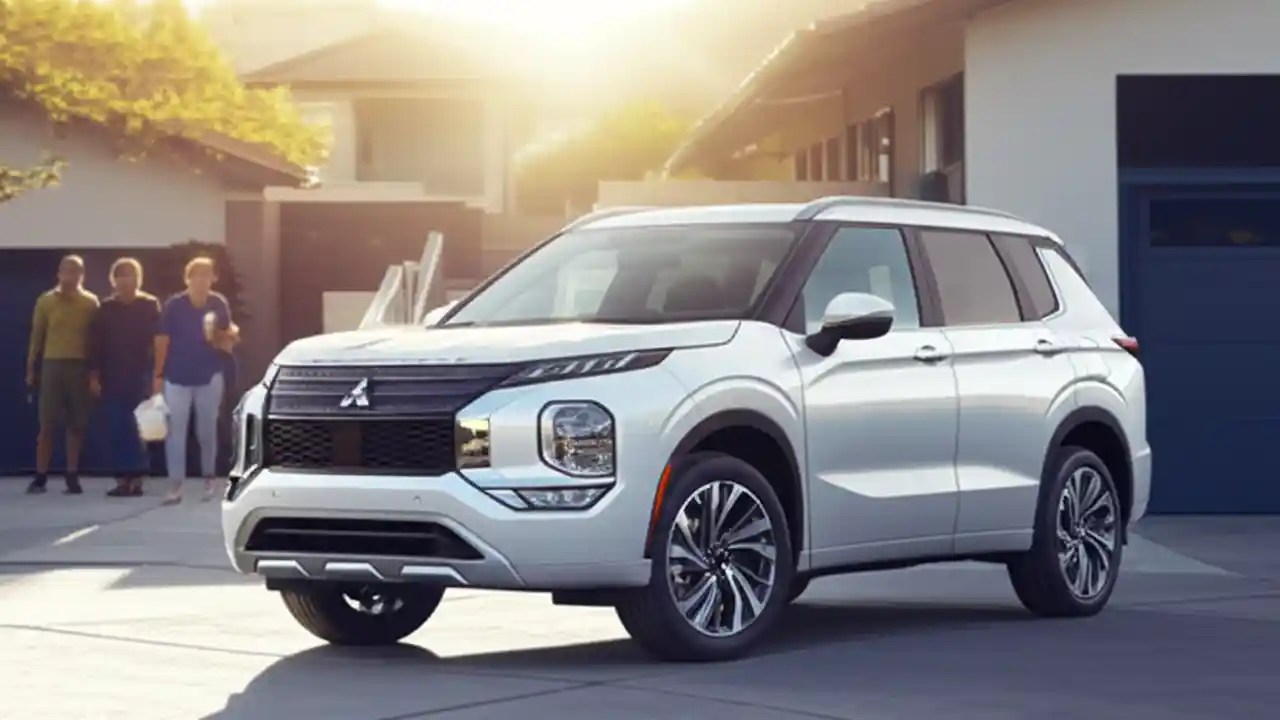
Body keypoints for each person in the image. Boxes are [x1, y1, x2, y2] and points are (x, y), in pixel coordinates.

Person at [154, 257, 240, 505]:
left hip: (209, 375)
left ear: (213, 278)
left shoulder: (218, 303)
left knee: (206, 430)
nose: (201, 280)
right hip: (177, 376)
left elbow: (228, 336)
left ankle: (209, 479)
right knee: (175, 431)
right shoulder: (174, 305)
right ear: (187, 278)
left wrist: (226, 336)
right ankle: (175, 485)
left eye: (206, 275)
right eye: (196, 275)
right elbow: (162, 341)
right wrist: (158, 375)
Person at [26, 255, 100, 495]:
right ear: (59, 274)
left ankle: (71, 475)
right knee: (46, 424)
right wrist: (30, 368)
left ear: (82, 275)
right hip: (52, 366)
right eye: (66, 271)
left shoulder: (90, 303)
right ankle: (40, 476)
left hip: (79, 367)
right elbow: (37, 336)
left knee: (76, 425)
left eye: (75, 272)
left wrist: (94, 373)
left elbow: (96, 339)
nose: (70, 276)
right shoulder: (46, 301)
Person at [89, 258, 161, 497]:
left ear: (137, 279)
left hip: (140, 375)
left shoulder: (149, 305)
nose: (125, 280)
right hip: (112, 377)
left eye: (130, 275)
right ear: (114, 280)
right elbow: (96, 345)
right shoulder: (105, 309)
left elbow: (158, 342)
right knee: (117, 427)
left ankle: (138, 478)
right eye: (120, 276)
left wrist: (157, 375)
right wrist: (94, 376)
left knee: (138, 426)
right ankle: (122, 480)